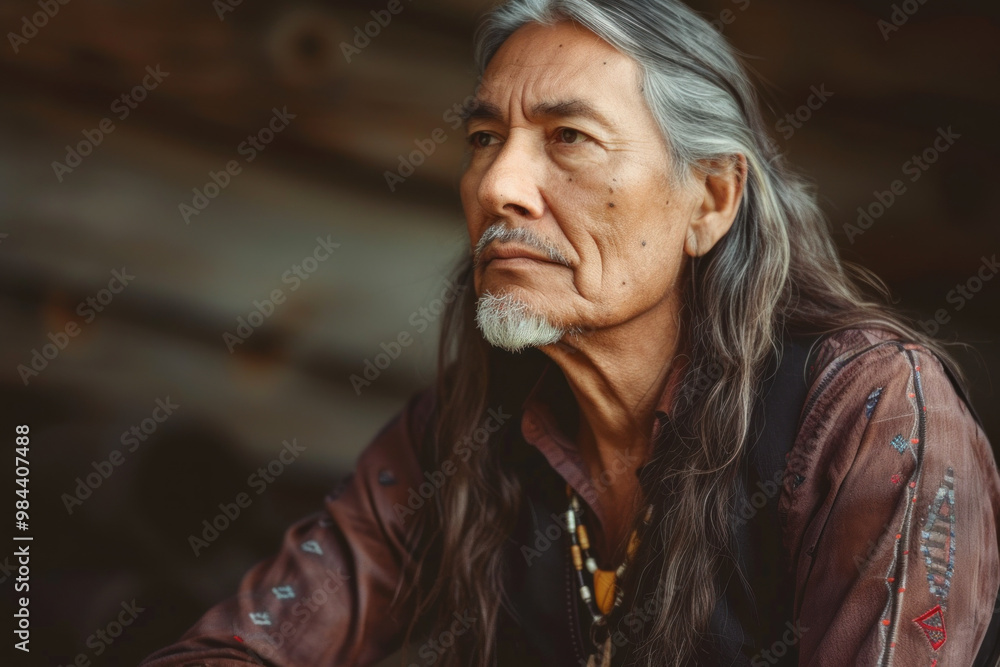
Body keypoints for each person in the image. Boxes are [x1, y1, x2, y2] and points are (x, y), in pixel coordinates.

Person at [142, 0, 1000, 665]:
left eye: (569, 137)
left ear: (711, 200)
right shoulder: (467, 428)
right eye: (485, 137)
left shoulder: (870, 419)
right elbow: (246, 645)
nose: (500, 185)